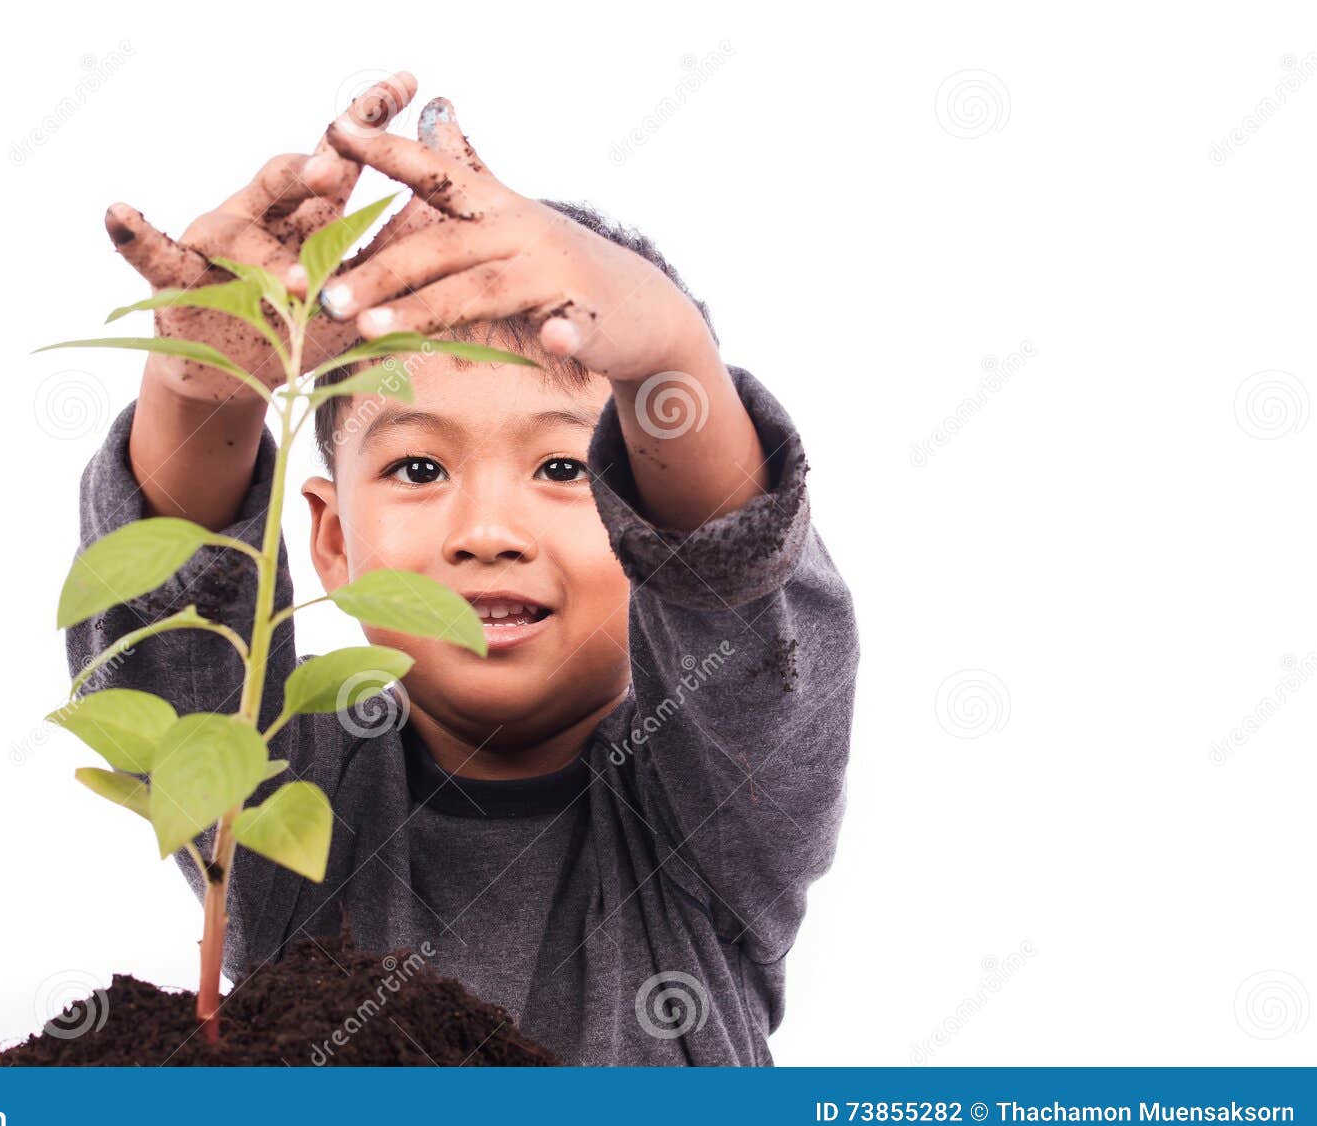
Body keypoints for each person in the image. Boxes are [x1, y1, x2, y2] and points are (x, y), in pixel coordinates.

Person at [68, 71, 858, 1064]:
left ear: (644, 513)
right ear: (331, 538)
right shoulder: (285, 814)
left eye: (565, 466)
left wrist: (664, 355)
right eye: (418, 466)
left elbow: (739, 590)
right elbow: (174, 649)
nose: (488, 528)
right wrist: (208, 392)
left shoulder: (712, 820)